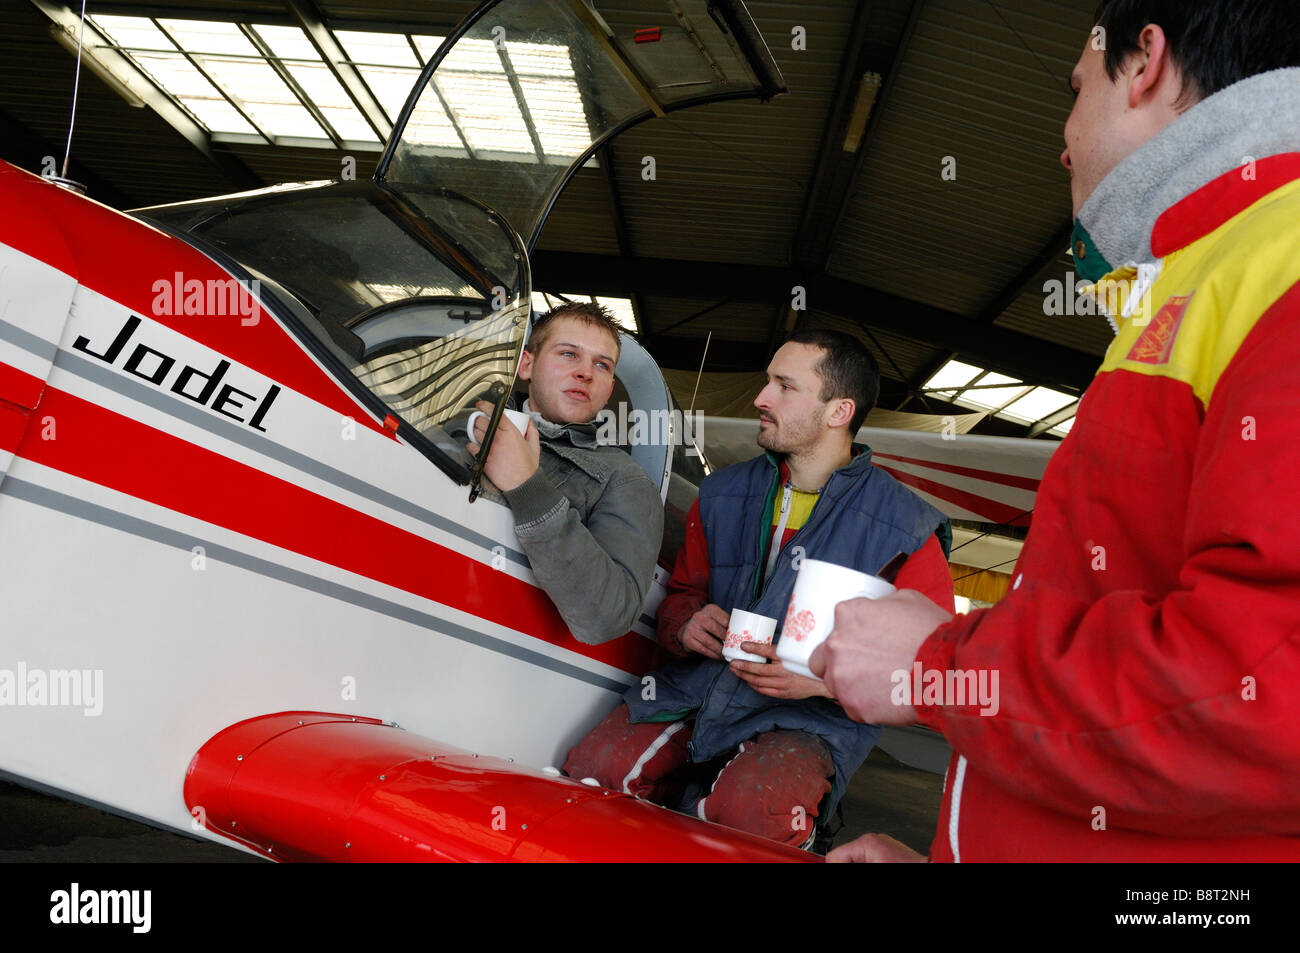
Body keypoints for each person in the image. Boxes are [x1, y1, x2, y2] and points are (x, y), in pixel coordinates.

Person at [816, 0, 1300, 862]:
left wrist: (940, 663)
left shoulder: (1280, 261)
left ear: (1144, 61)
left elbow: (1264, 696)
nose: (1063, 134)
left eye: (1076, 89)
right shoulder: (1193, 289)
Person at [563, 328, 954, 848]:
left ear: (839, 412)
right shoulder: (723, 492)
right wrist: (688, 626)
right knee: (596, 769)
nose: (760, 398)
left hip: (808, 719)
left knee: (756, 808)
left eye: (784, 387)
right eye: (768, 381)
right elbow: (682, 595)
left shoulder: (910, 531)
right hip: (694, 690)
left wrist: (822, 684)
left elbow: (937, 673)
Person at [468, 301, 663, 644]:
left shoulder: (624, 478)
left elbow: (607, 618)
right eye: (569, 354)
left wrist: (528, 487)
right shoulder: (464, 423)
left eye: (601, 365)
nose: (586, 372)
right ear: (526, 365)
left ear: (607, 391)